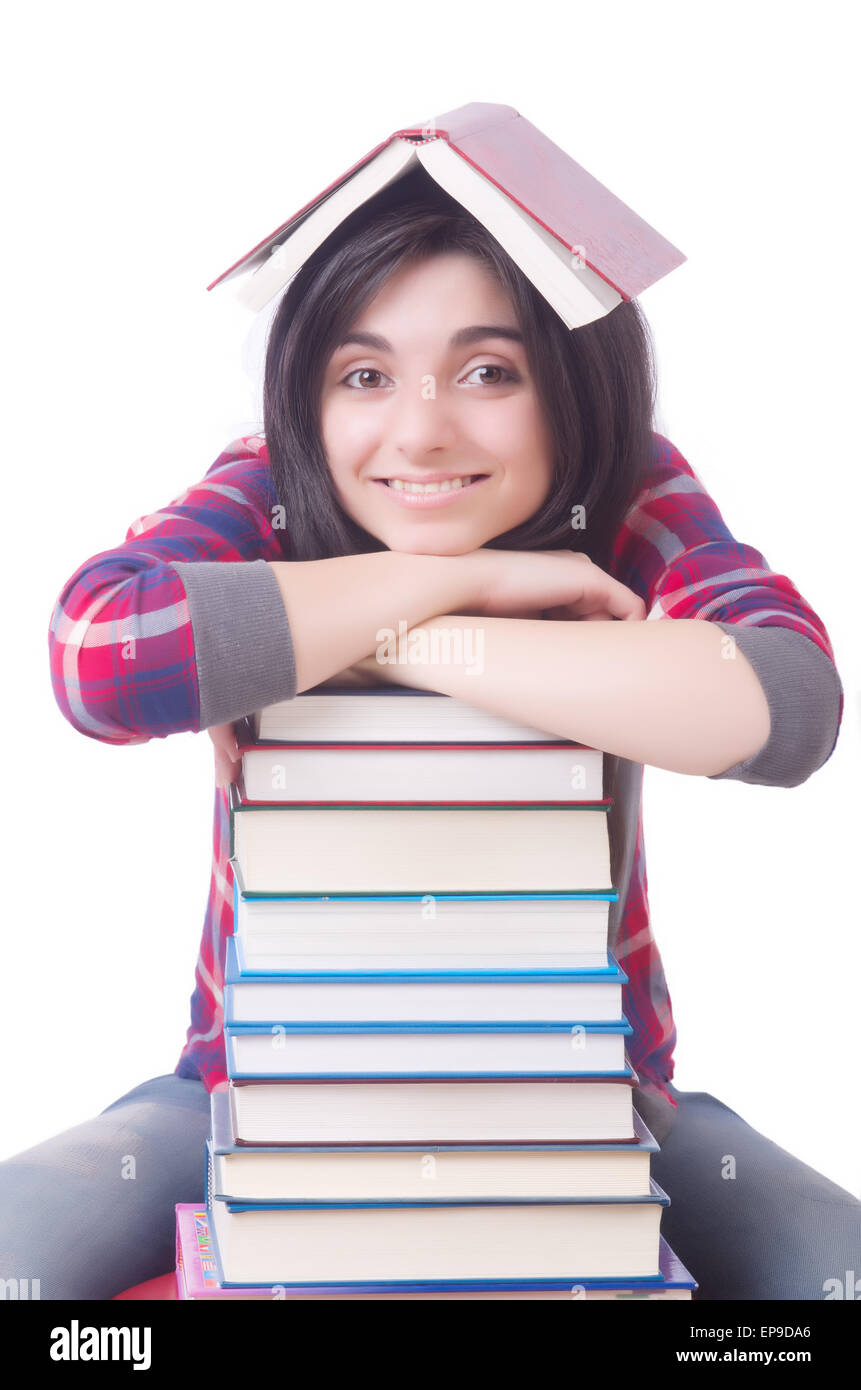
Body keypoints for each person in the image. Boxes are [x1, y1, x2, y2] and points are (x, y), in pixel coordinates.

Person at [5, 168, 857, 1301]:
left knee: (834, 1278)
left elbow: (785, 703)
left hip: (592, 1100)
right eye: (364, 374)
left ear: (571, 383)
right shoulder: (272, 489)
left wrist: (386, 633)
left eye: (489, 371)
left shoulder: (626, 488)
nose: (421, 428)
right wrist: (458, 579)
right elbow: (99, 655)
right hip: (246, 1089)